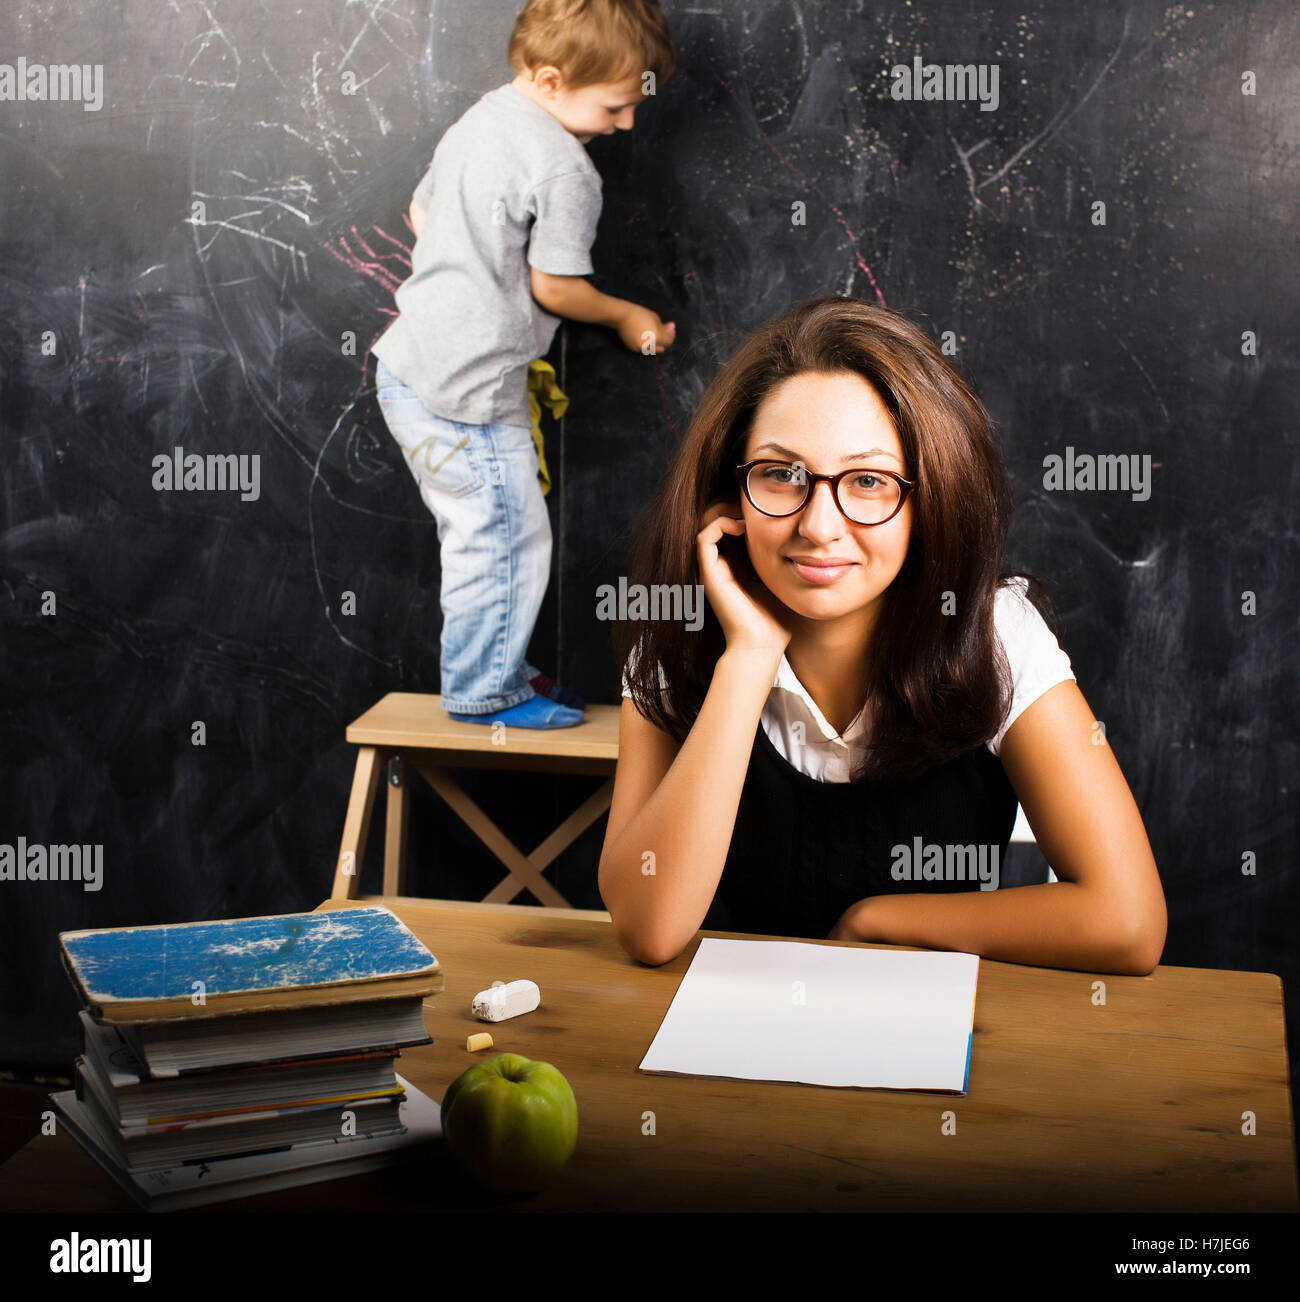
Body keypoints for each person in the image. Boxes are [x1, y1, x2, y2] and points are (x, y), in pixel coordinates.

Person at [599, 295, 1167, 974]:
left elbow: (1127, 921)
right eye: (782, 475)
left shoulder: (991, 634)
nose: (818, 524)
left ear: (930, 500)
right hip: (725, 1038)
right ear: (731, 497)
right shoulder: (676, 646)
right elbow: (649, 929)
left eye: (867, 480)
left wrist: (879, 920)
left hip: (934, 1036)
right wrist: (749, 656)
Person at [373, 0, 676, 729]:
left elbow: (420, 213)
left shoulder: (479, 120)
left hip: (411, 368)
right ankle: (486, 689)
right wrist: (629, 316)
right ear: (548, 79)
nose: (627, 123)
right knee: (504, 536)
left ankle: (498, 661)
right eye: (615, 106)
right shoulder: (566, 169)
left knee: (491, 530)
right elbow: (555, 286)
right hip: (465, 393)